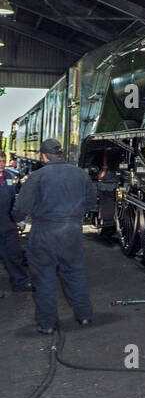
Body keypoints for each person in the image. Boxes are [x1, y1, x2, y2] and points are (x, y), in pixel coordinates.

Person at [13, 138, 97, 333]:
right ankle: (84, 316)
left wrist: (16, 218)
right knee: (75, 273)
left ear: (44, 156)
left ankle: (48, 324)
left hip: (44, 233)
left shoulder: (37, 176)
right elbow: (92, 203)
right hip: (72, 233)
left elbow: (21, 209)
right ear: (61, 153)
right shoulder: (80, 174)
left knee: (44, 279)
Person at [0, 151, 29, 292]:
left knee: (14, 254)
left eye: (3, 161)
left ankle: (21, 283)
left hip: (8, 223)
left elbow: (14, 198)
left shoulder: (10, 177)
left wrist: (17, 218)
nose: (2, 164)